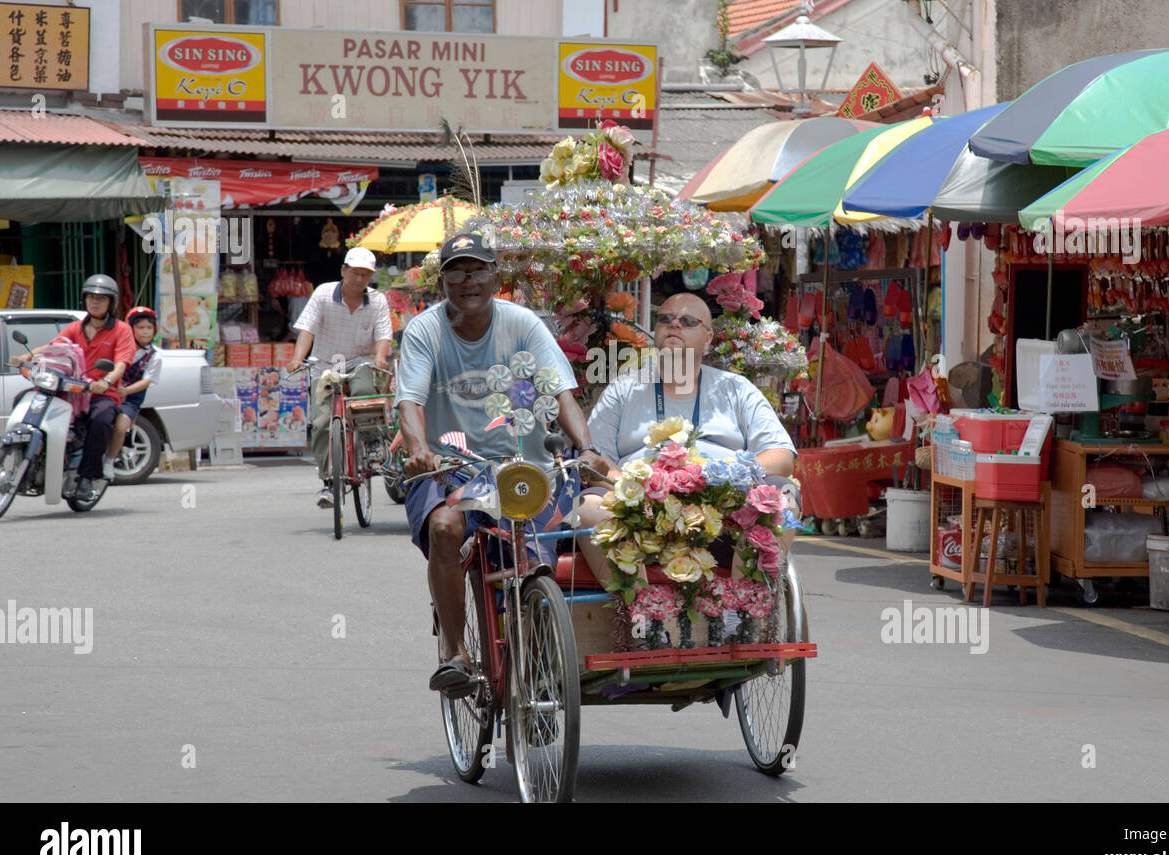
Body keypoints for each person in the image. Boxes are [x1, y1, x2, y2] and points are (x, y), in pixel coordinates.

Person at [395, 233, 597, 697]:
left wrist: (584, 446)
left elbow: (560, 390)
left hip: (525, 466)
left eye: (478, 269)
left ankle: (539, 654)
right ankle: (455, 652)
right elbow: (410, 401)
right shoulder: (426, 330)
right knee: (446, 528)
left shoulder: (523, 324)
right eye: (457, 272)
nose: (469, 281)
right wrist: (419, 447)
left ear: (496, 278)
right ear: (442, 280)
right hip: (454, 466)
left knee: (539, 556)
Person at [575, 292, 799, 580]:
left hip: (725, 508)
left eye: (688, 321)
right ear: (655, 331)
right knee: (588, 507)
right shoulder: (624, 389)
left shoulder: (736, 388)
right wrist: (623, 482)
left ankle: (743, 611)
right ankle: (638, 612)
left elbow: (780, 455)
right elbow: (594, 457)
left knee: (783, 497)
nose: (674, 325)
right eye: (665, 319)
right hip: (638, 508)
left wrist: (729, 475)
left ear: (707, 340)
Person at [10, 274, 134, 502]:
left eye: (101, 298)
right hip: (69, 389)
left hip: (100, 393)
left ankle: (88, 477)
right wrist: (25, 357)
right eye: (90, 297)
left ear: (111, 303)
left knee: (102, 420)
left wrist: (106, 382)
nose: (94, 302)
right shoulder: (75, 328)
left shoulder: (122, 330)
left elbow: (120, 364)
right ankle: (26, 460)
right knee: (22, 399)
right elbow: (53, 346)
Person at [286, 246, 392, 507]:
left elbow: (383, 335)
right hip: (326, 364)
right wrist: (297, 358)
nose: (359, 279)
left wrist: (380, 357)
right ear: (343, 270)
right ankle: (328, 482)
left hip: (360, 362)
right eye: (354, 273)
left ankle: (371, 442)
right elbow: (307, 330)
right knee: (322, 422)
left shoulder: (377, 299)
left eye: (365, 275)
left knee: (365, 392)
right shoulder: (323, 294)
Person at [103, 306, 164, 480]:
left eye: (149, 328)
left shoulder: (154, 356)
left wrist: (126, 391)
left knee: (121, 426)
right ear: (130, 329)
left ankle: (109, 461)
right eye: (140, 327)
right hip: (108, 392)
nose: (145, 332)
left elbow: (146, 382)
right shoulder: (119, 347)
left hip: (130, 400)